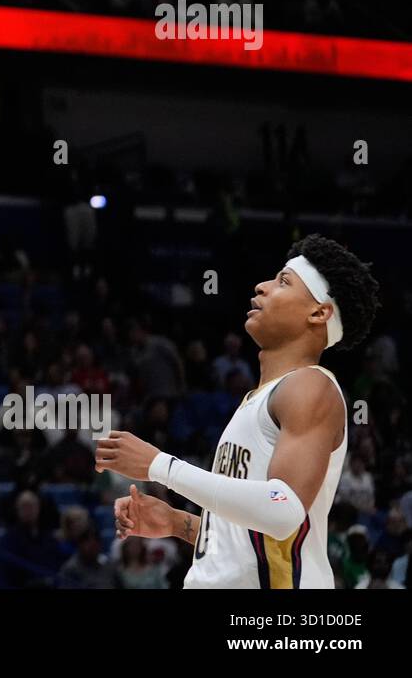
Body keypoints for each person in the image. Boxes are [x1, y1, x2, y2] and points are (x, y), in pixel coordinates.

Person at [100, 235, 379, 589]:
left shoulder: (310, 386)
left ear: (318, 312)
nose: (261, 287)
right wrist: (177, 523)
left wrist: (160, 466)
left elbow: (283, 512)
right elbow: (256, 539)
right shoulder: (258, 399)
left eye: (283, 281)